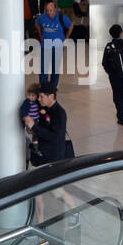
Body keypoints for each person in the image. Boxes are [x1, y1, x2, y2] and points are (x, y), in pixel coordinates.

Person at [23, 83, 79, 225]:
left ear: (51, 96)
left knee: (58, 192)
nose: (39, 99)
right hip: (37, 157)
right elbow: (41, 129)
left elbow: (55, 137)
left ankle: (75, 211)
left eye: (42, 96)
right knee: (37, 194)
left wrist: (34, 127)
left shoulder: (60, 113)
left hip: (50, 161)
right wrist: (33, 129)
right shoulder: (43, 109)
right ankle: (40, 224)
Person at [35, 0, 73, 87]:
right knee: (44, 68)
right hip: (45, 46)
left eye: (50, 10)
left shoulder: (62, 17)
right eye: (47, 10)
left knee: (55, 68)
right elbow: (37, 25)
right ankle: (44, 87)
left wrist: (66, 38)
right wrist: (41, 36)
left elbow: (71, 26)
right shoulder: (42, 17)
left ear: (55, 9)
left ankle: (52, 87)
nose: (48, 12)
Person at [18, 83, 41, 166]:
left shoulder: (38, 102)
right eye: (29, 95)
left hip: (36, 120)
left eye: (32, 95)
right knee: (33, 132)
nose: (29, 97)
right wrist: (25, 117)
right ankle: (34, 147)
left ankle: (35, 146)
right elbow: (22, 110)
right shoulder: (27, 102)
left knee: (36, 134)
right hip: (30, 120)